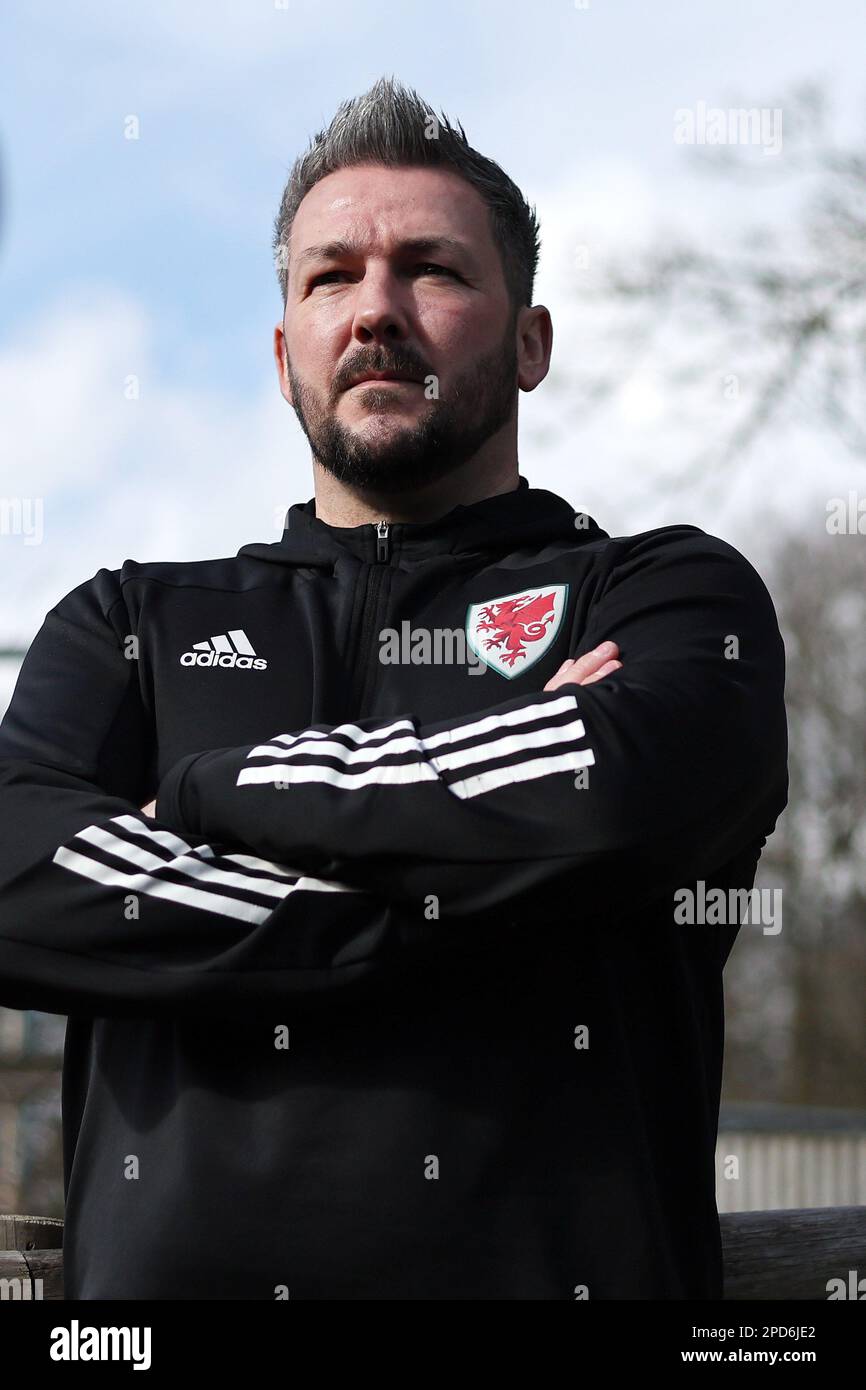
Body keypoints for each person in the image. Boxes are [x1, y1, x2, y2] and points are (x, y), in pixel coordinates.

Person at [0, 76, 787, 1300]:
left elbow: (608, 797)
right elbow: (12, 880)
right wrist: (478, 874)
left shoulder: (665, 595)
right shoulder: (132, 622)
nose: (375, 310)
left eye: (432, 270)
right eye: (329, 277)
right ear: (281, 354)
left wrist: (203, 796)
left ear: (528, 341)